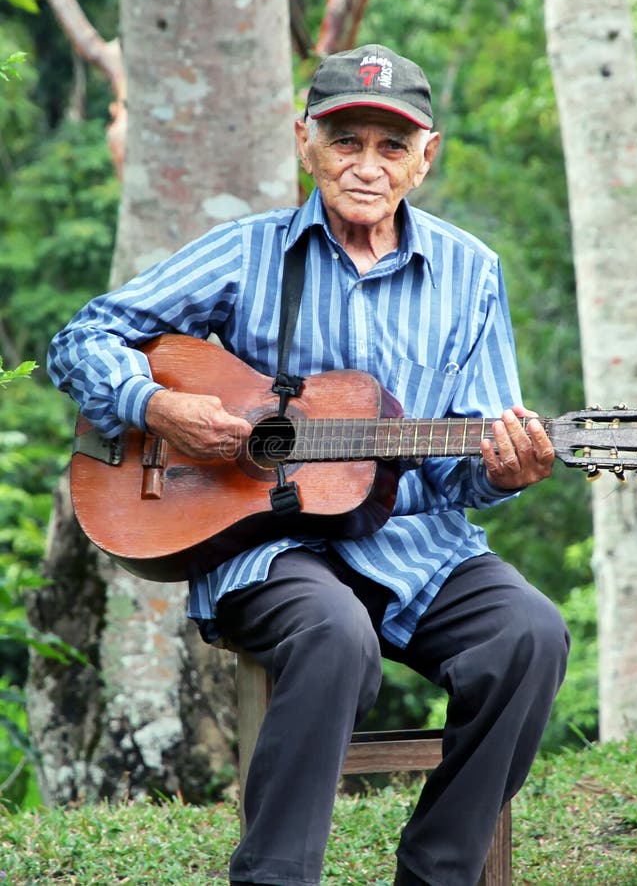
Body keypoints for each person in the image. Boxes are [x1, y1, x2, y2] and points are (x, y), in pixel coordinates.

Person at [48, 44, 570, 886]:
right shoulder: (245, 251)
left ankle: (437, 873)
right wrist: (154, 405)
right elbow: (82, 337)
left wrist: (499, 472)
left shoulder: (470, 271)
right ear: (305, 143)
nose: (366, 166)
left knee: (530, 634)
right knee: (335, 632)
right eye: (344, 141)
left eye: (392, 146)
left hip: (416, 546)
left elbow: (459, 469)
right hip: (266, 548)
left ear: (426, 156)